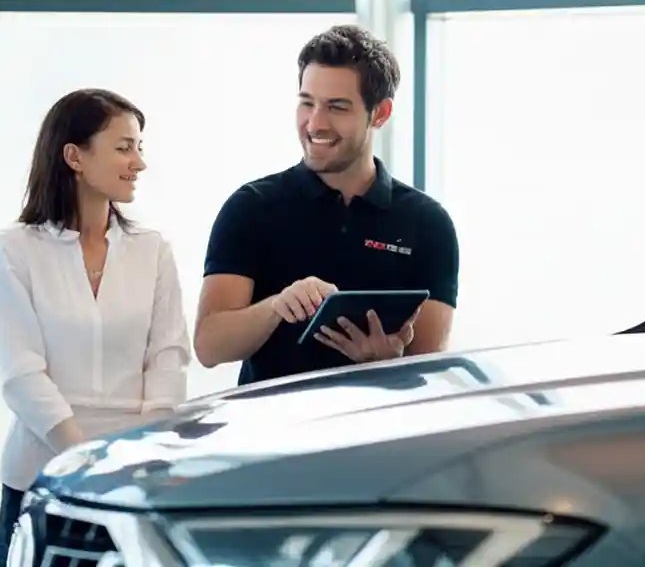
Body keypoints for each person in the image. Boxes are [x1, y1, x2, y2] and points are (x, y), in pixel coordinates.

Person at [0, 88, 191, 563]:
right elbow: (21, 374)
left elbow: (168, 358)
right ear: (74, 156)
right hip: (42, 479)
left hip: (134, 481)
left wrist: (137, 458)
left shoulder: (152, 250)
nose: (139, 162)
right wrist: (84, 462)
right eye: (123, 147)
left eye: (140, 147)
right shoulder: (13, 251)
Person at [194, 24, 460, 385]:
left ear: (380, 113)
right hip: (272, 433)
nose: (315, 123)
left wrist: (388, 362)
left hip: (384, 433)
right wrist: (276, 307)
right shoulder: (252, 208)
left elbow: (432, 362)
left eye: (337, 107)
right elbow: (210, 346)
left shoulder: (427, 222)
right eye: (307, 103)